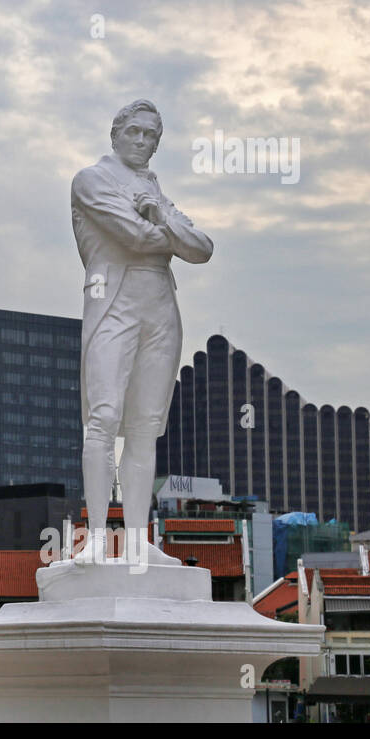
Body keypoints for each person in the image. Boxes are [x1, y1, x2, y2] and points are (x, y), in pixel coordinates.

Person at [70, 99, 214, 565]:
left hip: (160, 308)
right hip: (112, 300)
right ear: (115, 134)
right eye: (134, 131)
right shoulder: (92, 179)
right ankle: (94, 537)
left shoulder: (157, 193)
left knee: (145, 428)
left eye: (151, 135)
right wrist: (165, 231)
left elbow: (202, 249)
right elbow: (134, 237)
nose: (142, 141)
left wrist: (161, 219)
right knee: (104, 418)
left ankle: (135, 541)